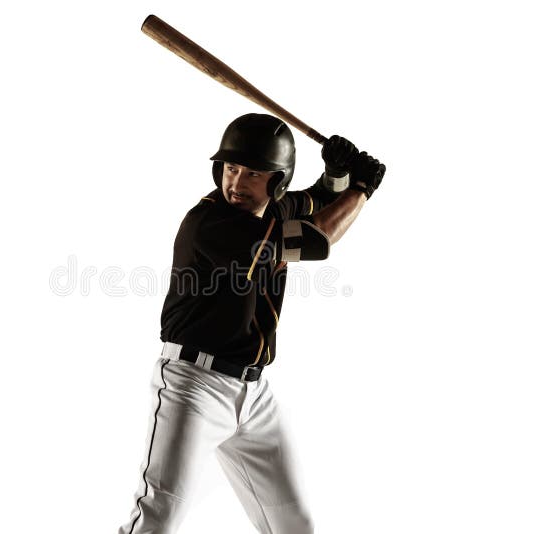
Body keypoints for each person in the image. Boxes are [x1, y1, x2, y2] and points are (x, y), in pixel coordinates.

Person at [119, 113, 386, 534]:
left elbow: (318, 198)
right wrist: (362, 189)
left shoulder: (274, 210)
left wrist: (336, 174)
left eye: (253, 173)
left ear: (277, 181)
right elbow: (316, 239)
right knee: (159, 518)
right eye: (231, 169)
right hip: (194, 387)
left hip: (255, 395)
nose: (237, 183)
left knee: (293, 524)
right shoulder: (210, 223)